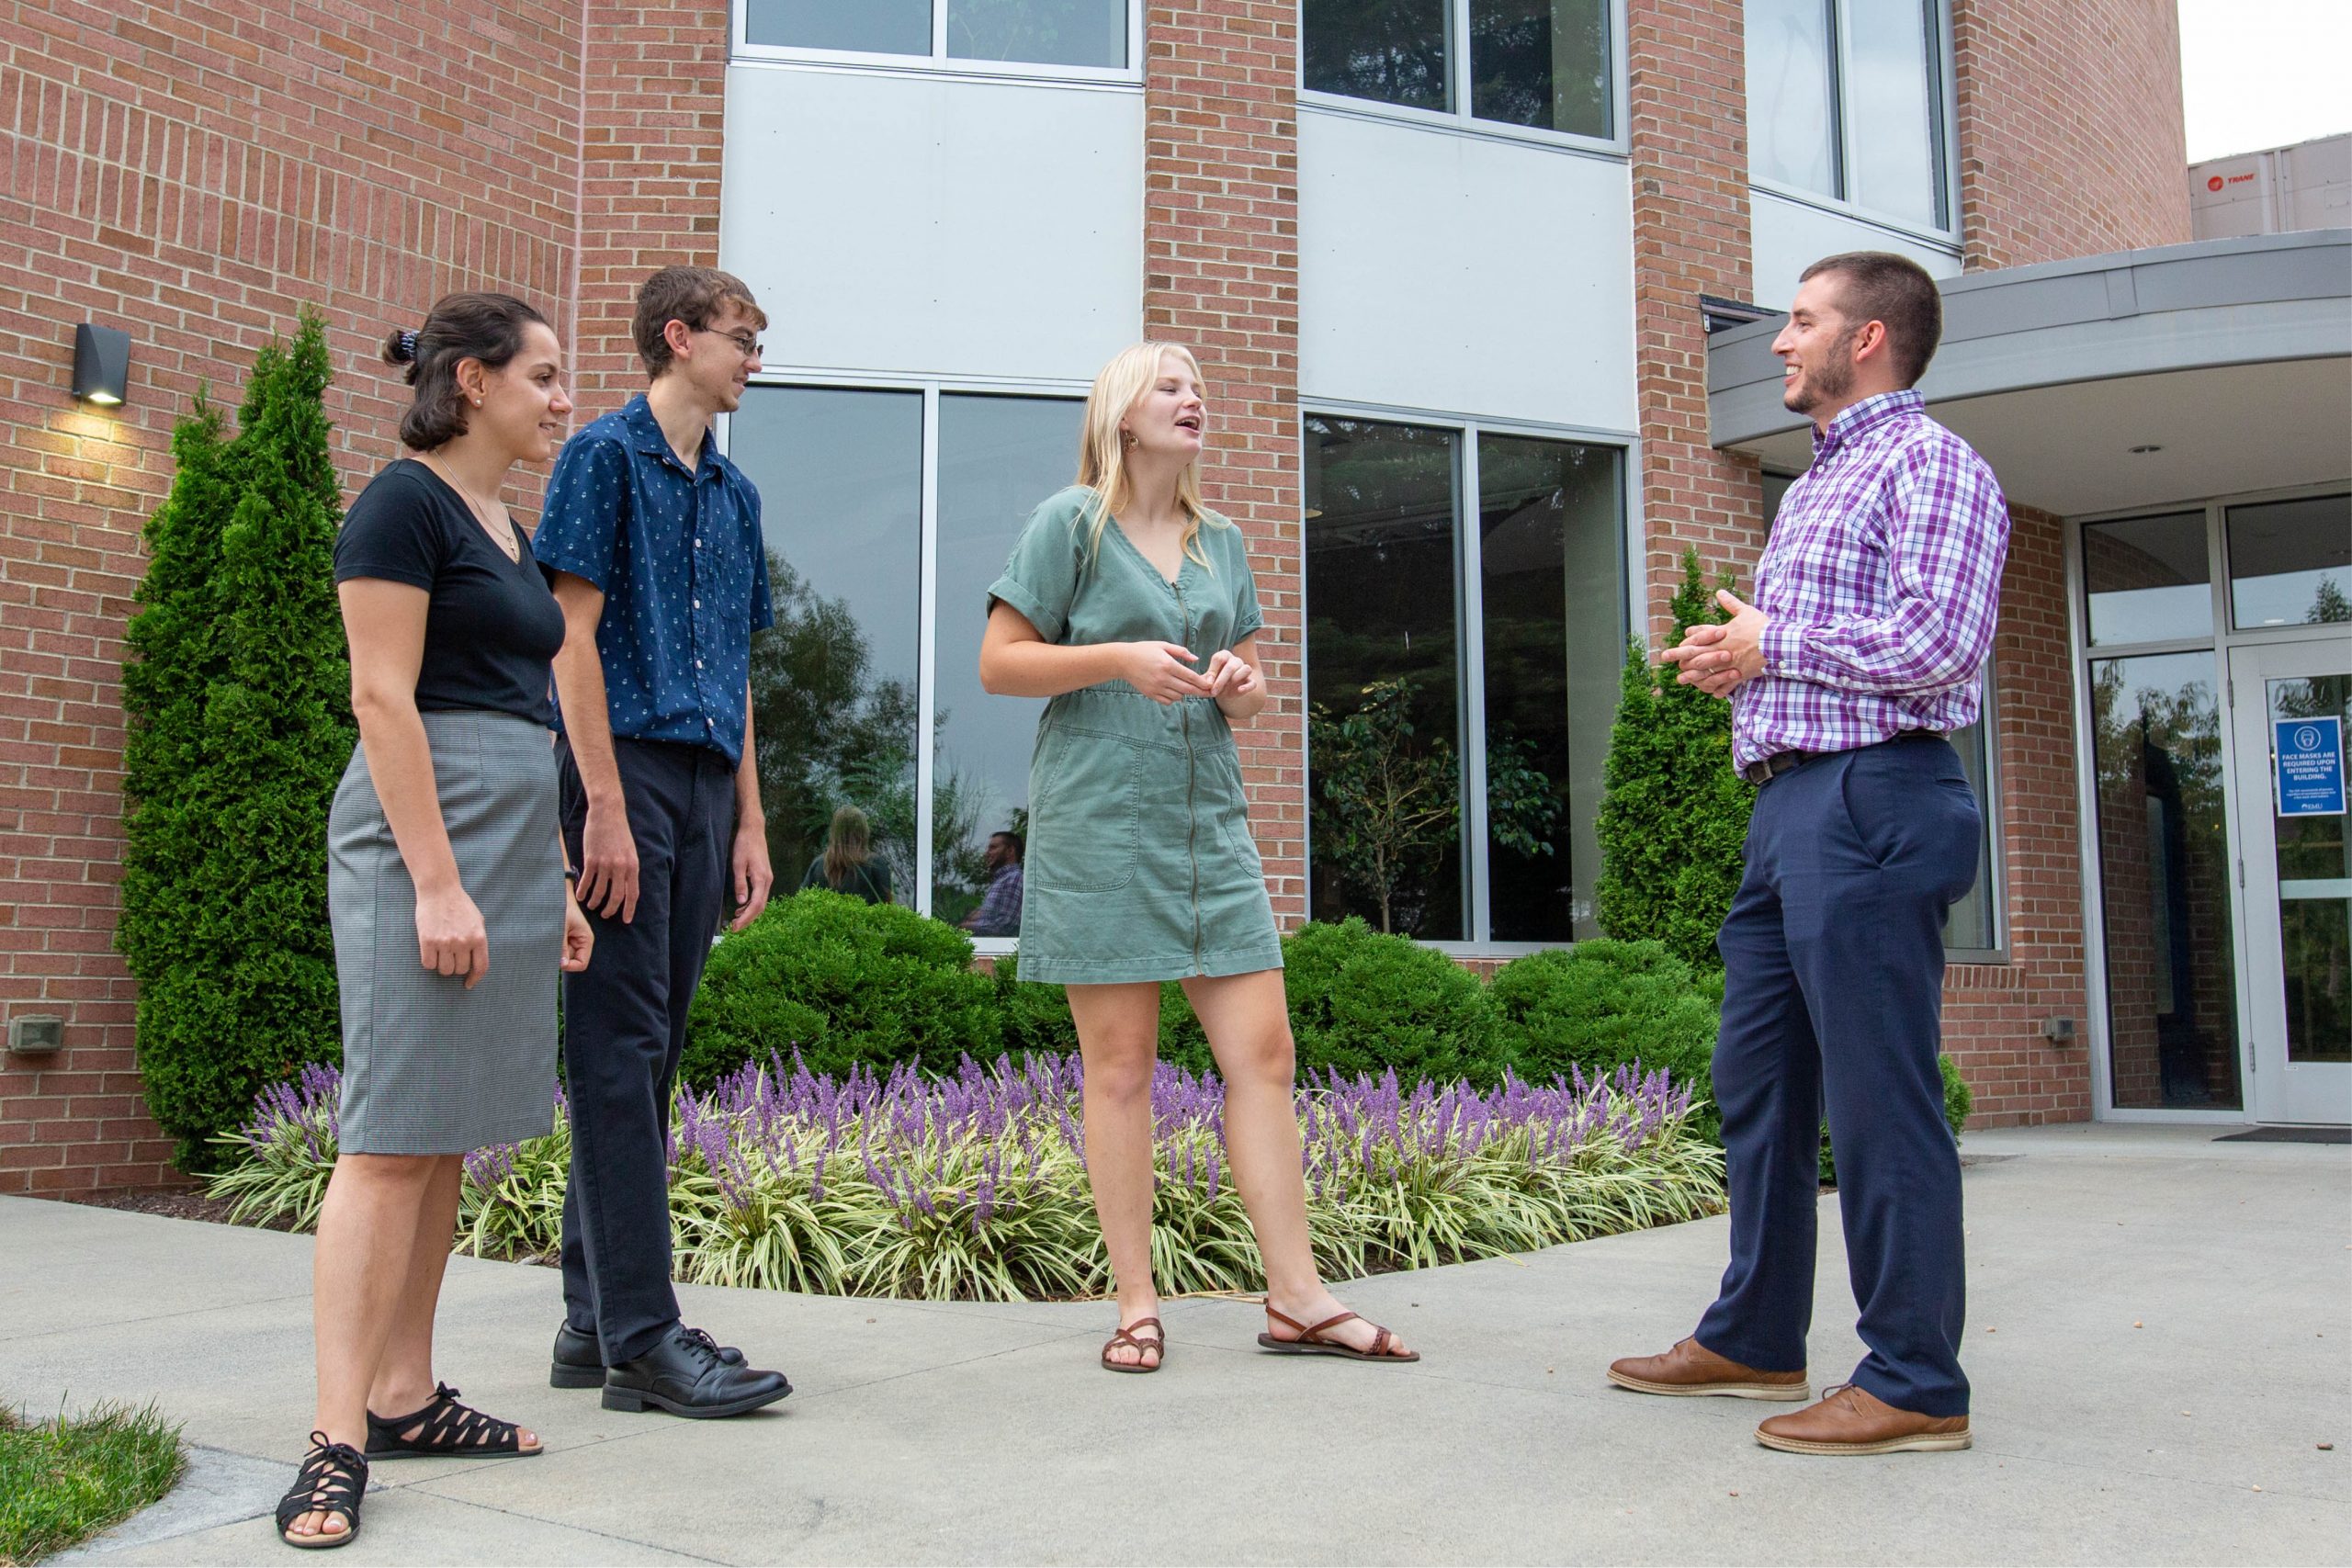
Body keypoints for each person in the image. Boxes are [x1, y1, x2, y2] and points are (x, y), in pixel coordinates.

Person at [1613, 252, 2007, 1456]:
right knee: (1761, 1081)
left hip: (1876, 795)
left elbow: (1940, 645)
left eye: (1801, 321)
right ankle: (1756, 1329)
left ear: (1871, 338)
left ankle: (1915, 1378)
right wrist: (1741, 656)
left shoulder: (1932, 463)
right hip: (1793, 807)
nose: (1781, 343)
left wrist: (1778, 641)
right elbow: (1816, 645)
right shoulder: (1820, 482)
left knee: (1879, 1097)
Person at [979, 342, 1416, 1373]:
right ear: (1122, 416)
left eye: (1197, 388)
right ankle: (1136, 1303)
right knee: (1120, 1067)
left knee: (1265, 1055)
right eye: (1169, 387)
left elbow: (1257, 687)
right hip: (1102, 820)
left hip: (1208, 823)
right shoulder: (1067, 527)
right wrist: (1117, 659)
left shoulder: (1222, 540)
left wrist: (1237, 686)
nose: (1192, 399)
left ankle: (1297, 1298)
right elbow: (1000, 664)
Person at [277, 294, 594, 1551]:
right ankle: (333, 1434)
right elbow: (381, 694)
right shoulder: (400, 504)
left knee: (452, 1128)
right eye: (547, 375)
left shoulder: (502, 526)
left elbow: (526, 704)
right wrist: (438, 879)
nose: (564, 397)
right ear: (472, 381)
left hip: (510, 842)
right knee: (391, 1132)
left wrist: (553, 874)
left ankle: (406, 1392)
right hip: (425, 838)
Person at [529, 266, 790, 1418]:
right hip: (618, 770)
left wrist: (750, 819)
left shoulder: (734, 496)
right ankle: (643, 1333)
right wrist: (601, 807)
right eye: (741, 339)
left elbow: (735, 674)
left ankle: (593, 1322)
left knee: (653, 1047)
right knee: (617, 1048)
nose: (753, 359)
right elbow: (567, 642)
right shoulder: (601, 458)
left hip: (699, 782)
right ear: (677, 338)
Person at [798, 805, 892, 905]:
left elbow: (802, 902)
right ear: (863, 831)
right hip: (864, 920)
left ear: (834, 832)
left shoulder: (819, 864)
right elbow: (886, 907)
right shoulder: (875, 864)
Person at [959, 829, 1023, 936]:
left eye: (993, 848)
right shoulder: (1002, 880)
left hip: (998, 950)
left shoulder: (1014, 878)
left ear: (1010, 851)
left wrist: (966, 927)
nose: (986, 853)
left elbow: (1005, 925)